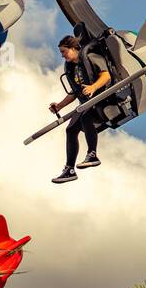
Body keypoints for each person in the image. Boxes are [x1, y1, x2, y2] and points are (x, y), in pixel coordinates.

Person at [47, 34, 113, 184]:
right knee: (70, 130)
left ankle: (92, 154)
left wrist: (93, 87)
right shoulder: (73, 68)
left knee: (85, 117)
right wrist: (59, 106)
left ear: (73, 48)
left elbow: (106, 76)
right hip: (87, 104)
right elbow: (75, 93)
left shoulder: (90, 57)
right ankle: (69, 170)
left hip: (103, 100)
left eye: (64, 52)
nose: (62, 56)